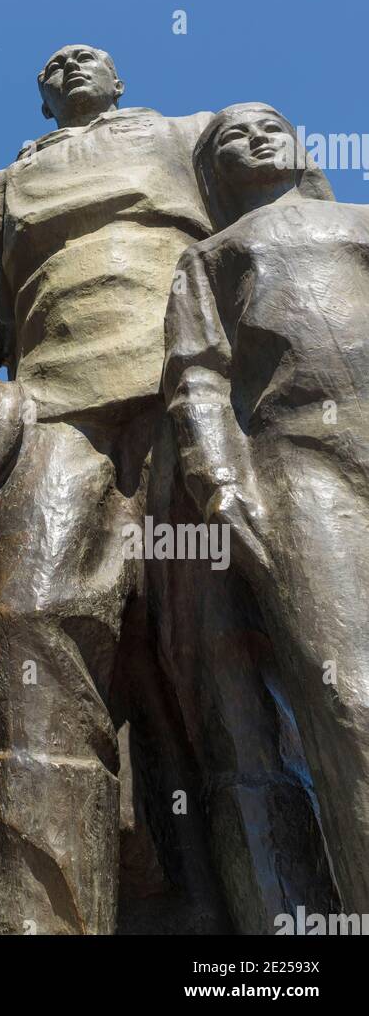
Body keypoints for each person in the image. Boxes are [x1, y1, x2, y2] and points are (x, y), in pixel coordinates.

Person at [0, 44, 215, 934]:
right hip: (54, 421)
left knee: (223, 652)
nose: (73, 62)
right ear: (42, 101)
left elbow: (275, 238)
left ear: (119, 81)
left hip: (191, 402)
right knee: (32, 641)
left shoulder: (190, 139)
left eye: (90, 57)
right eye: (54, 64)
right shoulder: (7, 189)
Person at [163, 101, 369, 914]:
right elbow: (196, 373)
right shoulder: (208, 256)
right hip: (294, 463)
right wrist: (218, 479)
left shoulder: (358, 219)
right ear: (212, 170)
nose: (254, 134)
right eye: (229, 133)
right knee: (348, 691)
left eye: (270, 123)